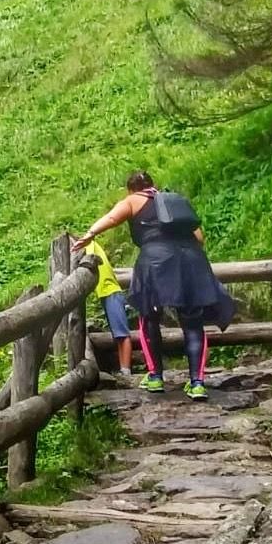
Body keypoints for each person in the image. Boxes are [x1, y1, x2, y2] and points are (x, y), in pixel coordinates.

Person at [73, 171, 235, 401]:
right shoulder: (174, 201)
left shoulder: (133, 200)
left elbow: (111, 219)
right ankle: (197, 383)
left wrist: (89, 234)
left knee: (149, 315)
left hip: (156, 262)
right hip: (190, 261)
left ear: (131, 189)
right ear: (153, 185)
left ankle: (156, 376)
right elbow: (199, 237)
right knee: (192, 322)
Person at [82, 240, 133, 377]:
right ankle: (124, 368)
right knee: (118, 335)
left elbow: (89, 259)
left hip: (111, 292)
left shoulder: (89, 244)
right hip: (106, 294)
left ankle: (126, 369)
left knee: (122, 333)